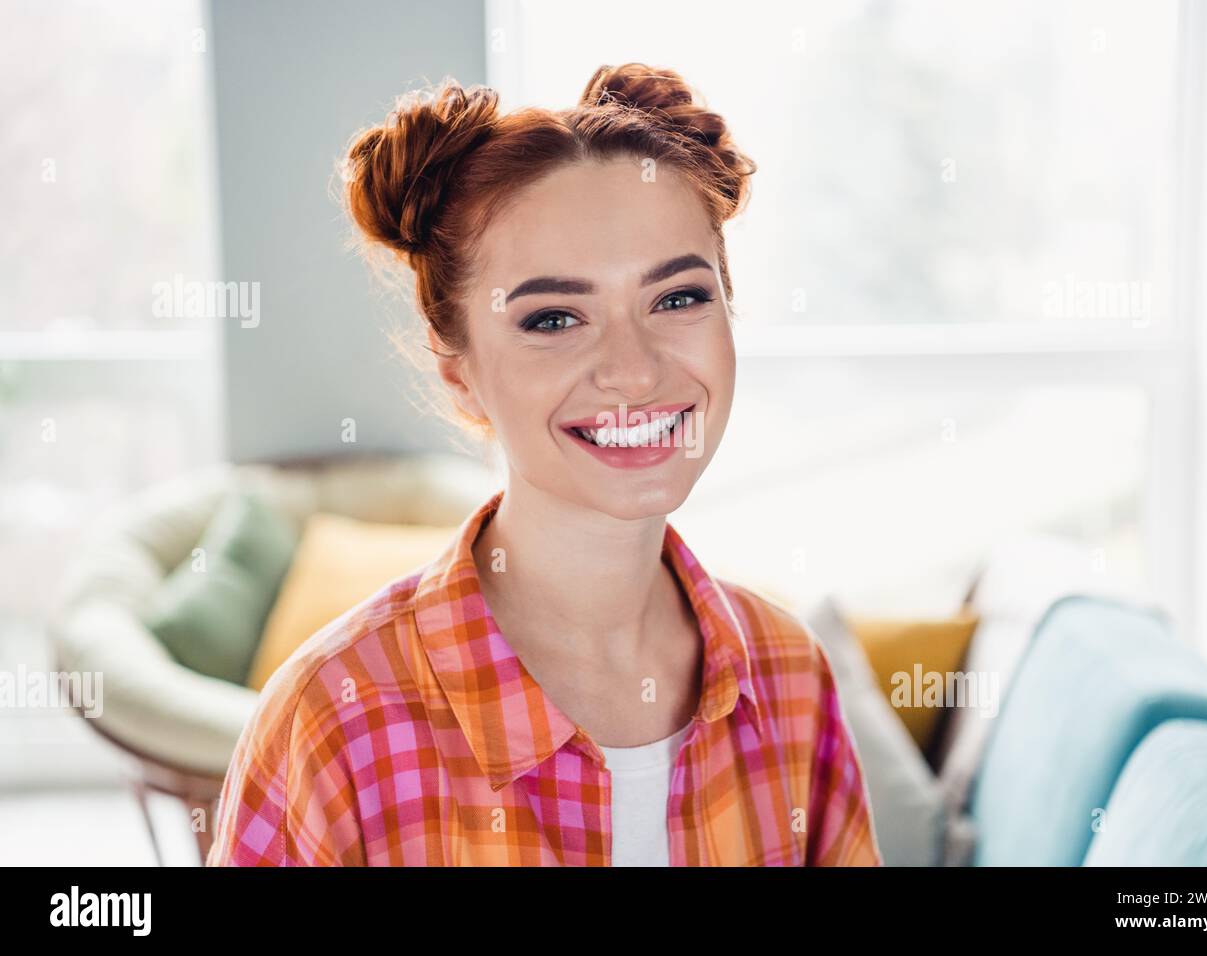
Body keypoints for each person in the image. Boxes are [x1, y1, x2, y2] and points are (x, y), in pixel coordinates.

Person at [206, 62, 881, 866]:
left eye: (677, 299)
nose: (634, 371)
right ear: (462, 373)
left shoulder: (790, 675)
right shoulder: (332, 722)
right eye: (555, 318)